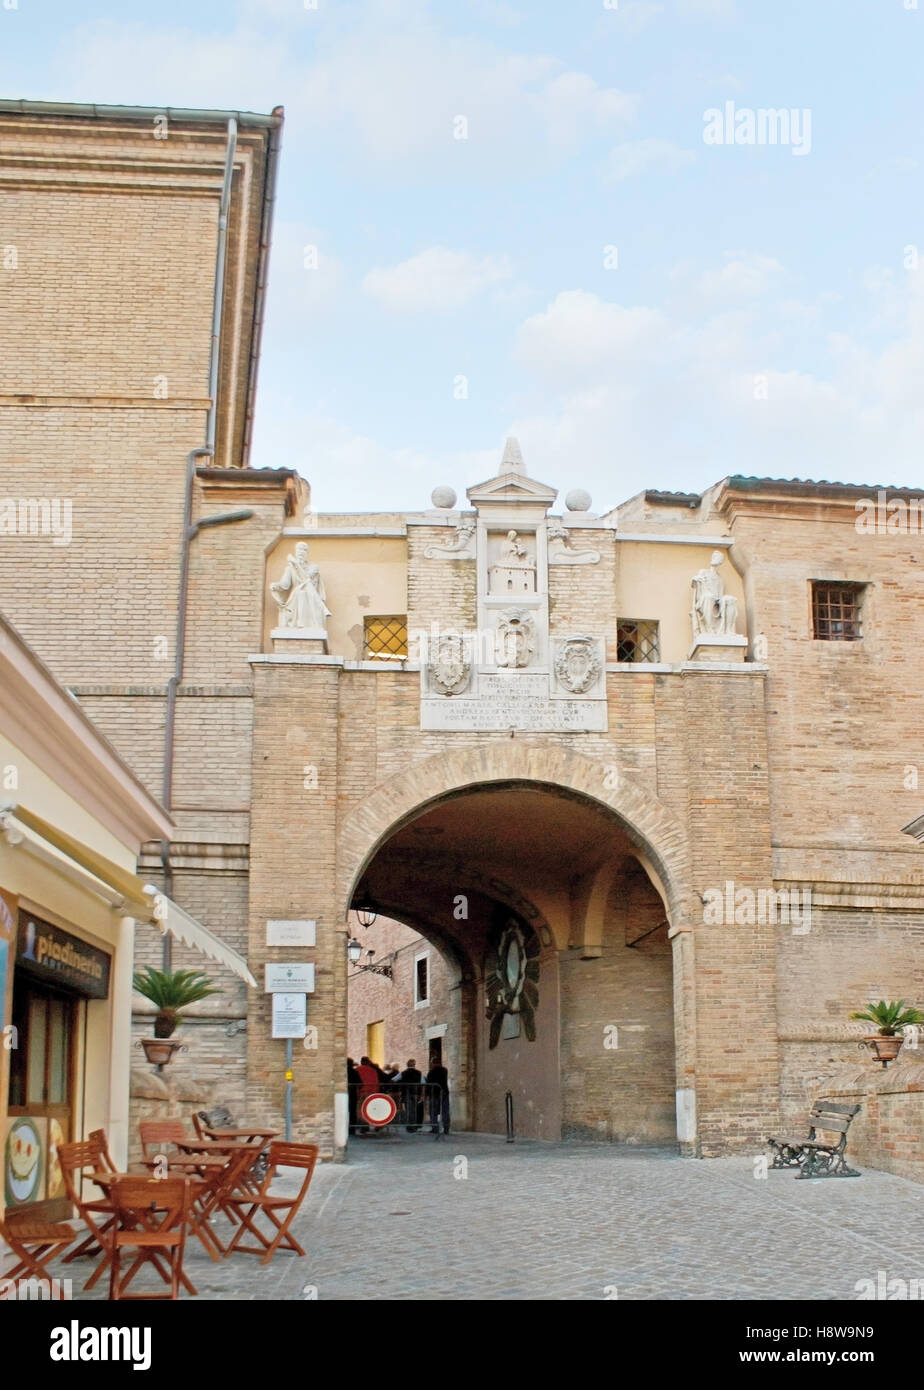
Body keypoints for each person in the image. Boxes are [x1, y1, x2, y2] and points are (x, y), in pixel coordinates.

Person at [396, 1058, 424, 1132]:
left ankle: (409, 1126)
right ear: (414, 1065)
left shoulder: (403, 1073)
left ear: (407, 1065)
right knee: (414, 1110)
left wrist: (400, 1085)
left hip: (406, 1093)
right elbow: (423, 1083)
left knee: (408, 1110)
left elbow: (394, 1079)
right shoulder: (419, 1073)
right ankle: (414, 1126)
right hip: (415, 1093)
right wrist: (422, 1094)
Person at [426, 1056, 450, 1136]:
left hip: (434, 1093)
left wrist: (426, 1094)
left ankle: (434, 1128)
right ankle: (446, 1128)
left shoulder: (431, 1072)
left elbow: (428, 1084)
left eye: (431, 1063)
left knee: (433, 1111)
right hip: (444, 1092)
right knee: (445, 1111)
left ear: (433, 1063)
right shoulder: (445, 1070)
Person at [346, 1057, 361, 1135]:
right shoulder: (355, 1072)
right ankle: (352, 1129)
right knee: (352, 1111)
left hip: (343, 1094)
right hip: (353, 1094)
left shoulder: (342, 1072)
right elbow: (360, 1083)